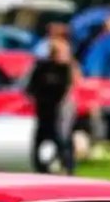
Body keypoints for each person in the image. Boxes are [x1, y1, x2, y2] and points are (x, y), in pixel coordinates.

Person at [27, 36, 80, 174]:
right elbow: (31, 87)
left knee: (62, 138)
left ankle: (68, 167)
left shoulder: (66, 68)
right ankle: (42, 168)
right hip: (43, 109)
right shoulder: (42, 67)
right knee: (41, 139)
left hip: (61, 109)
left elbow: (66, 88)